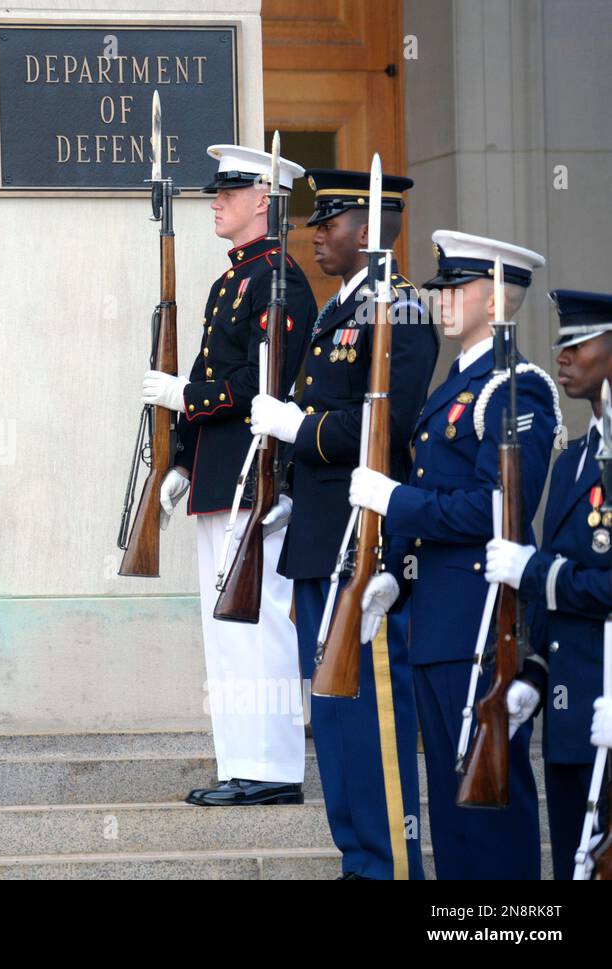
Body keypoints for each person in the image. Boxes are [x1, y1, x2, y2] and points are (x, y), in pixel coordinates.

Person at [251, 168, 438, 879]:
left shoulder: (404, 311)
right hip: (318, 541)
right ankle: (358, 858)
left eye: (328, 222)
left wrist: (300, 428)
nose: (315, 235)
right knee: (332, 717)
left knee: (371, 719)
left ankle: (391, 862)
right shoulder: (339, 309)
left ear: (367, 230)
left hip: (367, 541)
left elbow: (386, 424)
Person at [353, 231, 554, 879]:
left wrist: (397, 503)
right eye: (439, 288)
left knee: (491, 796)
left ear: (494, 299)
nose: (440, 299)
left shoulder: (515, 389)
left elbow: (497, 508)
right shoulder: (456, 385)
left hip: (480, 622)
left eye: (456, 288)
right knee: (451, 801)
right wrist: (392, 571)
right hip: (438, 619)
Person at [142, 144, 317, 804]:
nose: (215, 200)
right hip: (219, 477)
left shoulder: (281, 280)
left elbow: (257, 384)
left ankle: (272, 768)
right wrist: (183, 459)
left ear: (263, 202)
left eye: (230, 191)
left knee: (260, 622)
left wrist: (183, 396)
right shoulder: (232, 281)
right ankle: (242, 761)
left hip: (256, 474)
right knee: (225, 629)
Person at [485, 289, 612, 879]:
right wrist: (535, 672)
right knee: (570, 866)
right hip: (570, 717)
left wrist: (533, 571)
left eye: (577, 344)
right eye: (559, 345)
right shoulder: (573, 459)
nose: (562, 357)